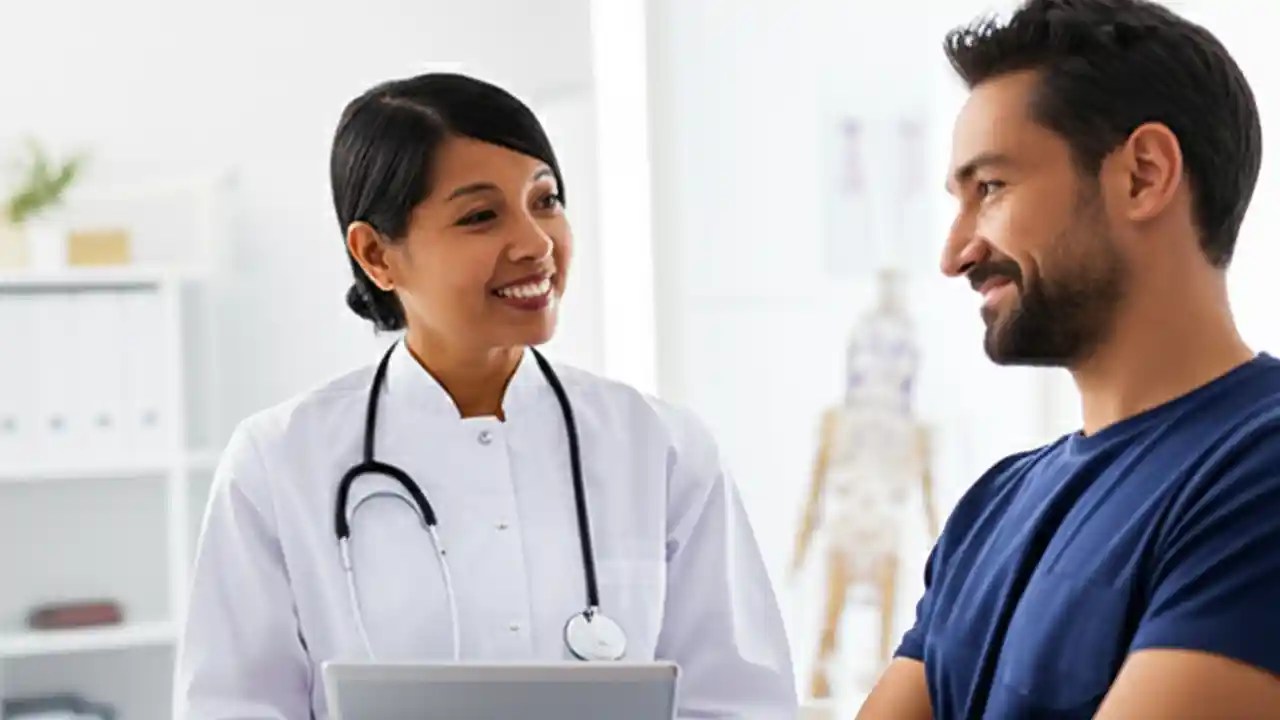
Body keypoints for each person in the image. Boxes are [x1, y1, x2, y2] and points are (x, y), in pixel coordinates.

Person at [174, 72, 796, 719]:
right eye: (480, 216)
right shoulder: (279, 462)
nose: (535, 244)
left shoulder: (660, 447)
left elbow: (739, 702)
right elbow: (232, 706)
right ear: (376, 254)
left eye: (546, 200)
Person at [857, 1, 1280, 718]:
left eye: (989, 188)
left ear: (1143, 175)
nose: (955, 253)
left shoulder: (1260, 471)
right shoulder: (991, 509)